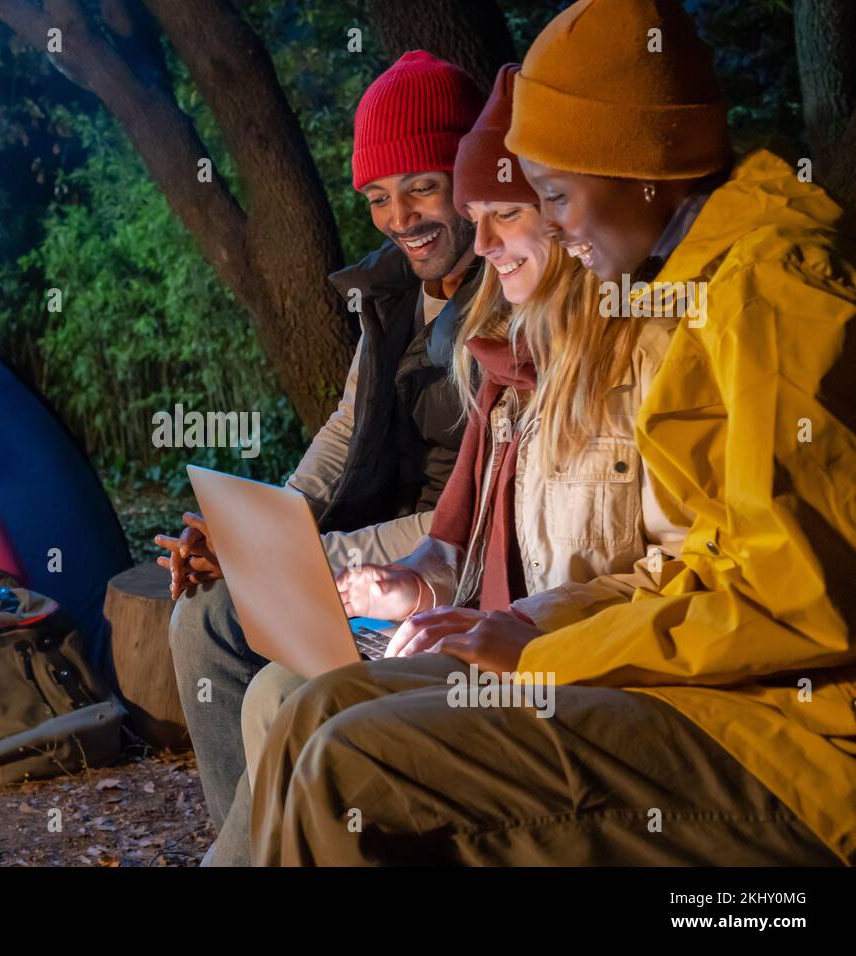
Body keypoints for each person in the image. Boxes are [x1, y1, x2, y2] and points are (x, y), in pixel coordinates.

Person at [250, 0, 855, 867]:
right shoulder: (694, 284)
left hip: (784, 736)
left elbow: (793, 604)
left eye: (554, 197)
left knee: (352, 763)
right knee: (314, 709)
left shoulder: (769, 292)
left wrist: (549, 647)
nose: (553, 228)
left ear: (644, 170)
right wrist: (532, 622)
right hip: (701, 685)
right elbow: (698, 567)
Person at [223, 61, 683, 865]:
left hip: (581, 673)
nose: (482, 241)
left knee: (329, 733)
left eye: (504, 213)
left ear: (570, 214)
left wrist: (515, 624)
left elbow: (687, 579)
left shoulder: (654, 350)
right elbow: (456, 533)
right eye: (477, 215)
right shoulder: (509, 358)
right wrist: (413, 583)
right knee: (272, 685)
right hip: (500, 642)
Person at [154, 51, 486, 858]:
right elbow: (340, 439)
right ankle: (257, 839)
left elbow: (478, 510)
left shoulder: (511, 287)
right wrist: (250, 538)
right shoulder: (392, 293)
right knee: (198, 616)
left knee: (251, 646)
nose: (398, 217)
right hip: (381, 546)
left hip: (449, 557)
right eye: (377, 196)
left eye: (421, 186)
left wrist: (296, 559)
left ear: (472, 173)